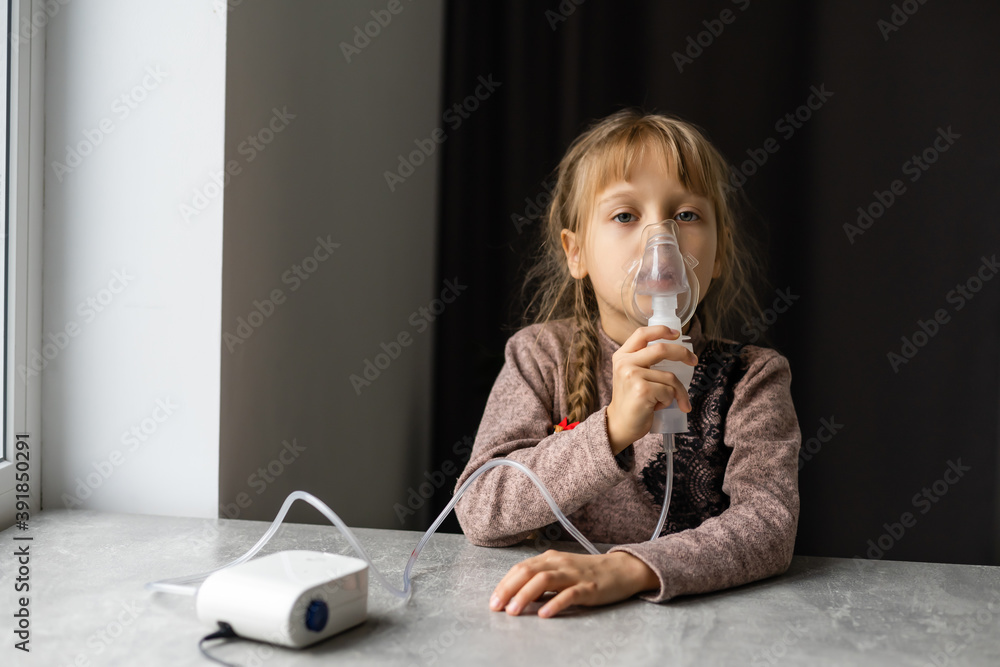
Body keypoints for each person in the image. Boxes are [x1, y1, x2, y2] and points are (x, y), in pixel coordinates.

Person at [451, 108, 802, 618]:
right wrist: (611, 429)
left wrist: (627, 569)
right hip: (560, 624)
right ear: (576, 253)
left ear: (720, 250)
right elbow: (480, 509)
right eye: (624, 216)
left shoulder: (752, 377)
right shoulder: (541, 357)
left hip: (700, 626)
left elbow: (769, 526)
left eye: (686, 215)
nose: (661, 239)